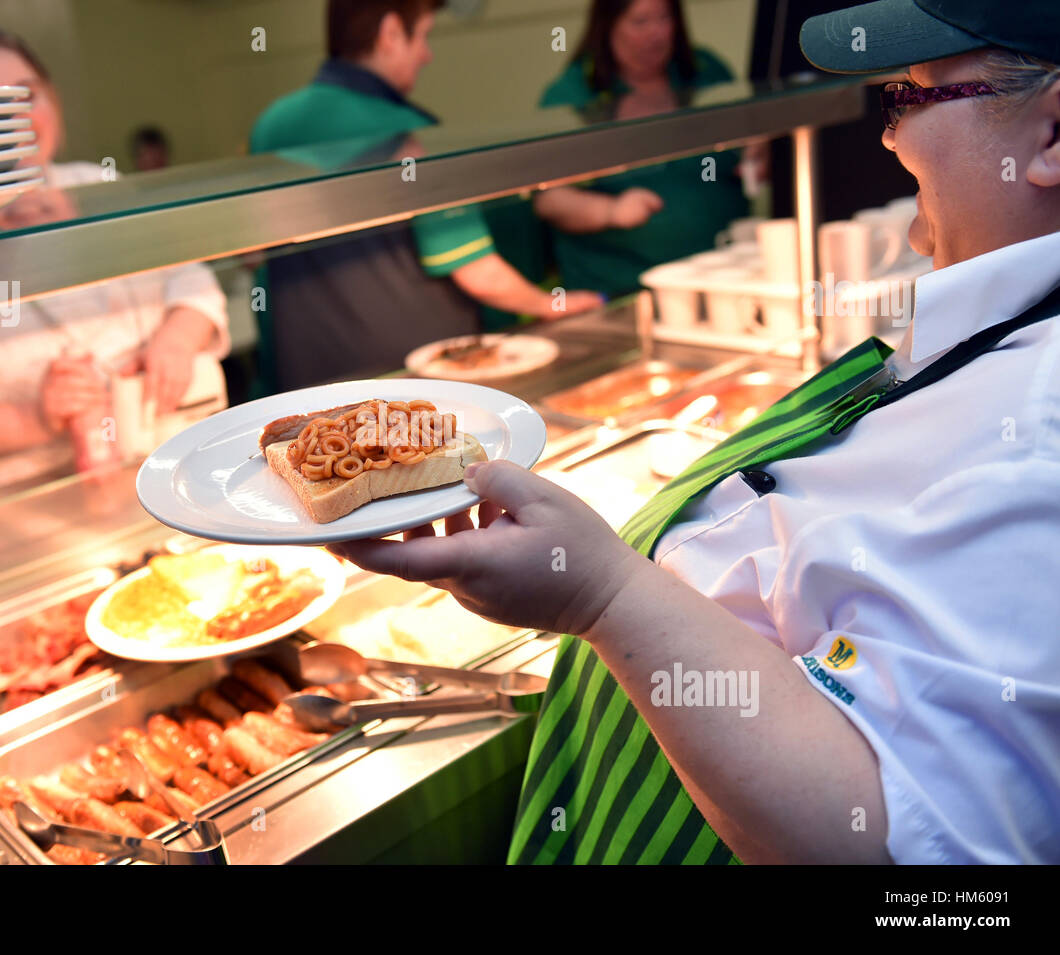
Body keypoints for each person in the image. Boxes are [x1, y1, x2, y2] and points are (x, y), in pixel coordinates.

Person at [330, 0, 1060, 864]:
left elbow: (895, 851)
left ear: (1051, 136)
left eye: (909, 96)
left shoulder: (1040, 425)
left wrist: (600, 593)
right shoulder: (996, 330)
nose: (887, 138)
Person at [0, 27, 231, 502]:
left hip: (162, 465)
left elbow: (188, 275)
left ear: (52, 99)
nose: (11, 118)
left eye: (25, 95)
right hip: (20, 503)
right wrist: (36, 418)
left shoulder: (98, 185)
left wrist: (178, 338)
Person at [248, 0, 601, 393]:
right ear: (391, 33)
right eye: (424, 36)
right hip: (412, 383)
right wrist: (553, 304)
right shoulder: (408, 134)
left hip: (311, 385)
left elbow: (253, 256)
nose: (427, 55)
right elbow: (478, 272)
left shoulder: (271, 124)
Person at [535, 0, 752, 299]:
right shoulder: (573, 95)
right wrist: (610, 212)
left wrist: (759, 155)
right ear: (608, 26)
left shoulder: (705, 72)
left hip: (723, 276)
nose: (657, 33)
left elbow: (748, 138)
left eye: (665, 18)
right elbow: (550, 200)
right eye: (640, 22)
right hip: (620, 292)